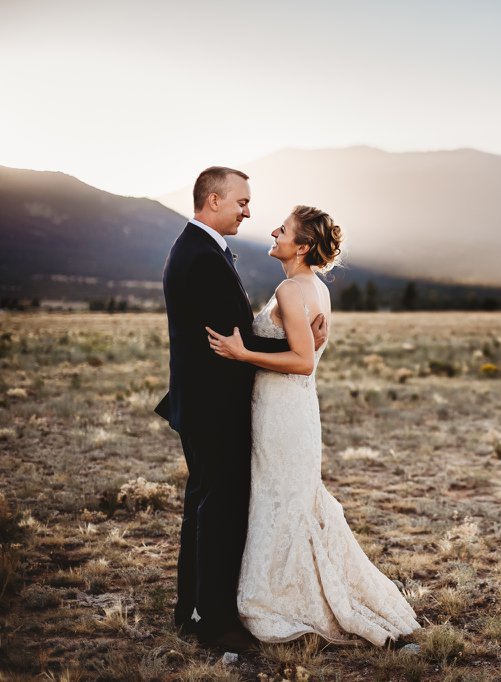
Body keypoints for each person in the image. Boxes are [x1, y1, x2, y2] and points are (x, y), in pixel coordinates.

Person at [205, 205, 419, 646]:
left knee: (282, 498)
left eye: (282, 230)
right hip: (294, 409)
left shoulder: (289, 289)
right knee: (289, 497)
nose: (273, 232)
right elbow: (303, 349)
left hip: (282, 409)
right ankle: (300, 590)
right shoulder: (314, 287)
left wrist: (241, 353)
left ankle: (283, 600)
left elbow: (302, 361)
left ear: (301, 247)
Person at [155, 167, 326, 652]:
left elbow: (231, 335)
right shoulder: (202, 256)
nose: (249, 212)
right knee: (221, 509)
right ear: (213, 200)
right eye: (242, 202)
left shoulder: (200, 248)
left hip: (208, 403)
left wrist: (292, 344)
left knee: (205, 504)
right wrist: (293, 346)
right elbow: (227, 341)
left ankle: (192, 608)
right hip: (214, 408)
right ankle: (214, 622)